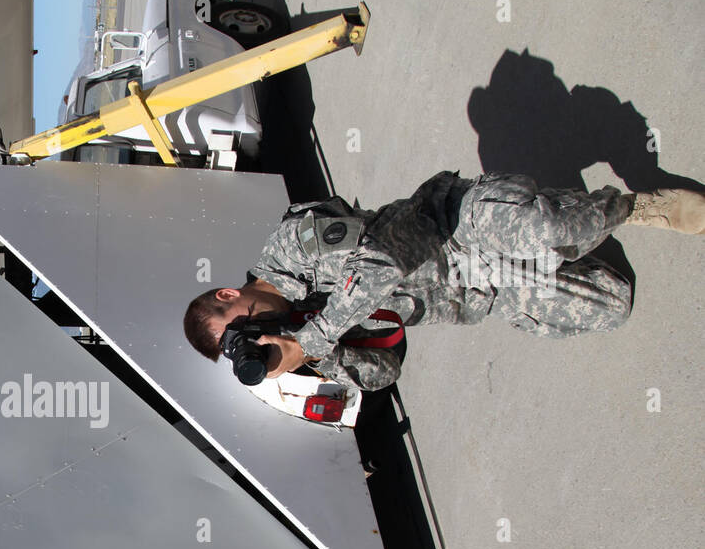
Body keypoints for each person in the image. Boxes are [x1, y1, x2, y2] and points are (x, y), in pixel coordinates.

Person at [182, 172, 705, 390]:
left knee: (548, 229)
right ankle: (568, 238)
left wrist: (311, 339)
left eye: (237, 327)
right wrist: (324, 359)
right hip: (478, 286)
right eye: (240, 347)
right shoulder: (301, 340)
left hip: (456, 225)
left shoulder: (291, 246)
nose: (253, 337)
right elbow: (385, 371)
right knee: (613, 304)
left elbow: (384, 261)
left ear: (230, 294)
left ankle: (634, 205)